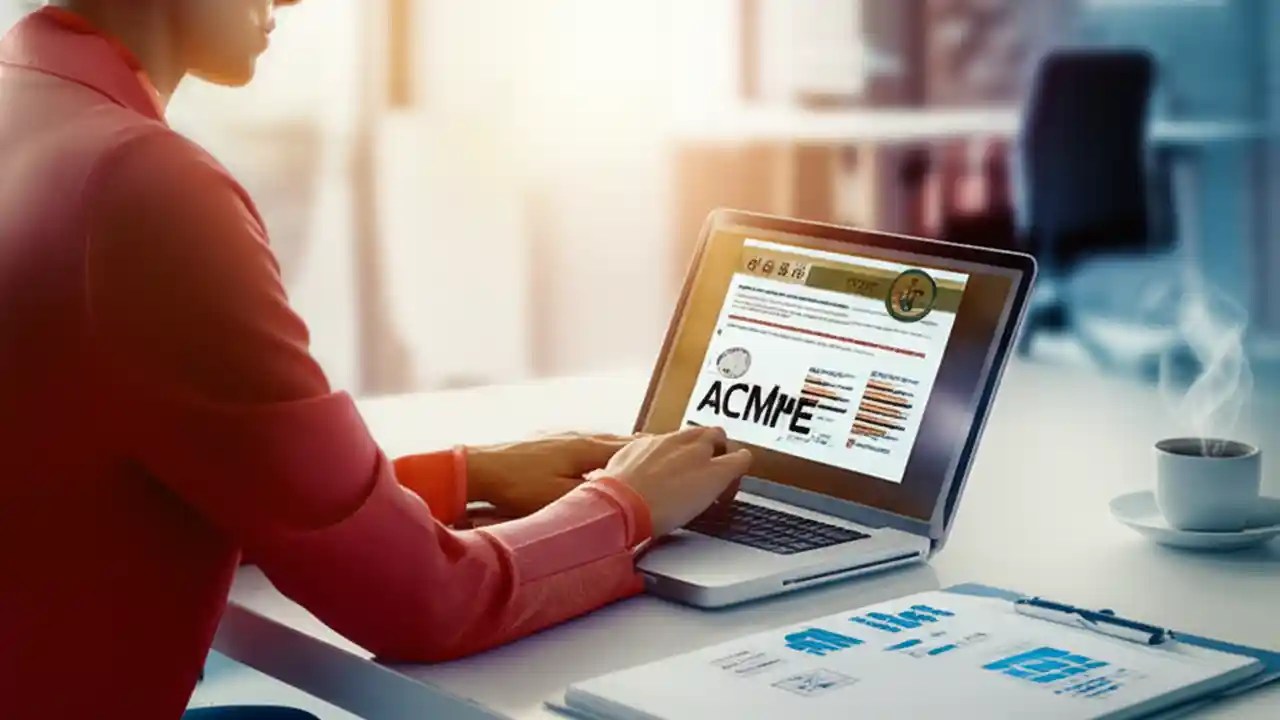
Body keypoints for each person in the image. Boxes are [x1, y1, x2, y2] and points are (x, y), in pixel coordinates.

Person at [0, 2, 752, 719]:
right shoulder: (146, 187)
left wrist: (463, 477)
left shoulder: (25, 104)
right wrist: (627, 507)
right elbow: (424, 603)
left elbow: (177, 472)